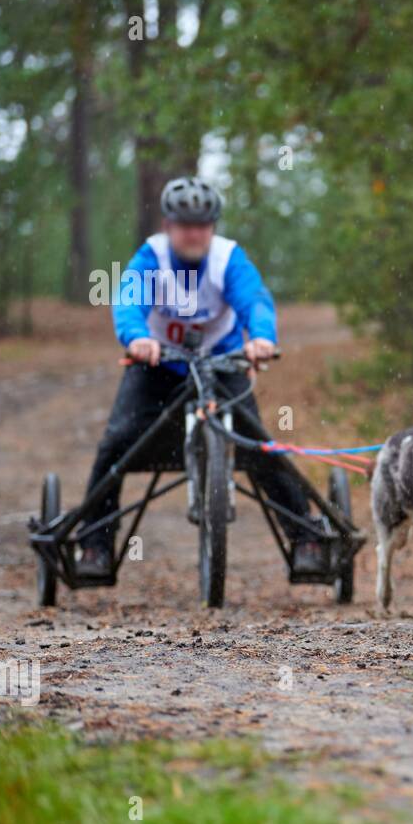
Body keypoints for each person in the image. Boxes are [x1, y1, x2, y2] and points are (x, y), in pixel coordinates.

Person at [77, 176, 325, 577]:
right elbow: (129, 300)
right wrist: (137, 337)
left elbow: (255, 301)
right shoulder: (151, 257)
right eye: (184, 225)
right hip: (158, 366)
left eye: (202, 225)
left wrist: (262, 338)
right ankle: (95, 547)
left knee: (260, 446)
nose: (194, 233)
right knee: (117, 443)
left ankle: (307, 540)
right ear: (167, 225)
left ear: (213, 226)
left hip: (221, 365)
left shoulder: (228, 259)